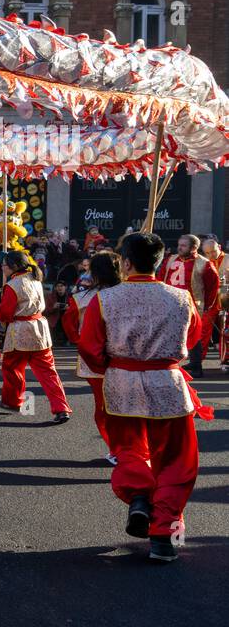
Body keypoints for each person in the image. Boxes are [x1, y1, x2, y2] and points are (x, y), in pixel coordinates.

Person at [78, 231, 212, 563]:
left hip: (122, 383)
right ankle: (164, 534)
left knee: (130, 451)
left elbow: (90, 347)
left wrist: (112, 364)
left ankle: (139, 497)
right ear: (160, 261)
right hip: (167, 382)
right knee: (176, 462)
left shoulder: (105, 299)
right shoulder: (180, 298)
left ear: (125, 262)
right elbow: (193, 336)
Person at [0, 249, 71, 424]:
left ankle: (13, 401)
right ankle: (61, 408)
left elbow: (5, 313)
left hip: (20, 330)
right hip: (39, 329)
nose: (2, 268)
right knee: (48, 372)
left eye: (4, 265)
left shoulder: (13, 285)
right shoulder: (35, 279)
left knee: (12, 368)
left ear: (13, 266)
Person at [62, 251, 122, 464]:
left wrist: (83, 340)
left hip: (96, 360)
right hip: (132, 358)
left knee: (104, 406)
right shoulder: (131, 294)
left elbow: (70, 327)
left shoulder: (81, 299)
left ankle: (117, 448)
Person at [157, 233, 219, 378]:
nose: (179, 248)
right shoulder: (170, 259)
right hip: (170, 302)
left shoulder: (204, 264)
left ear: (194, 247)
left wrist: (206, 306)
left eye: (183, 245)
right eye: (179, 245)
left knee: (194, 335)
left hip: (192, 305)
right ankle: (168, 364)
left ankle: (196, 365)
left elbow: (212, 287)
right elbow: (160, 278)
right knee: (169, 334)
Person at [200, 235, 229, 371]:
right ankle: (198, 360)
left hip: (226, 300)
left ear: (219, 247)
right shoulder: (203, 262)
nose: (211, 255)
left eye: (213, 251)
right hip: (211, 300)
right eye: (207, 253)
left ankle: (225, 360)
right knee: (204, 329)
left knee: (225, 331)